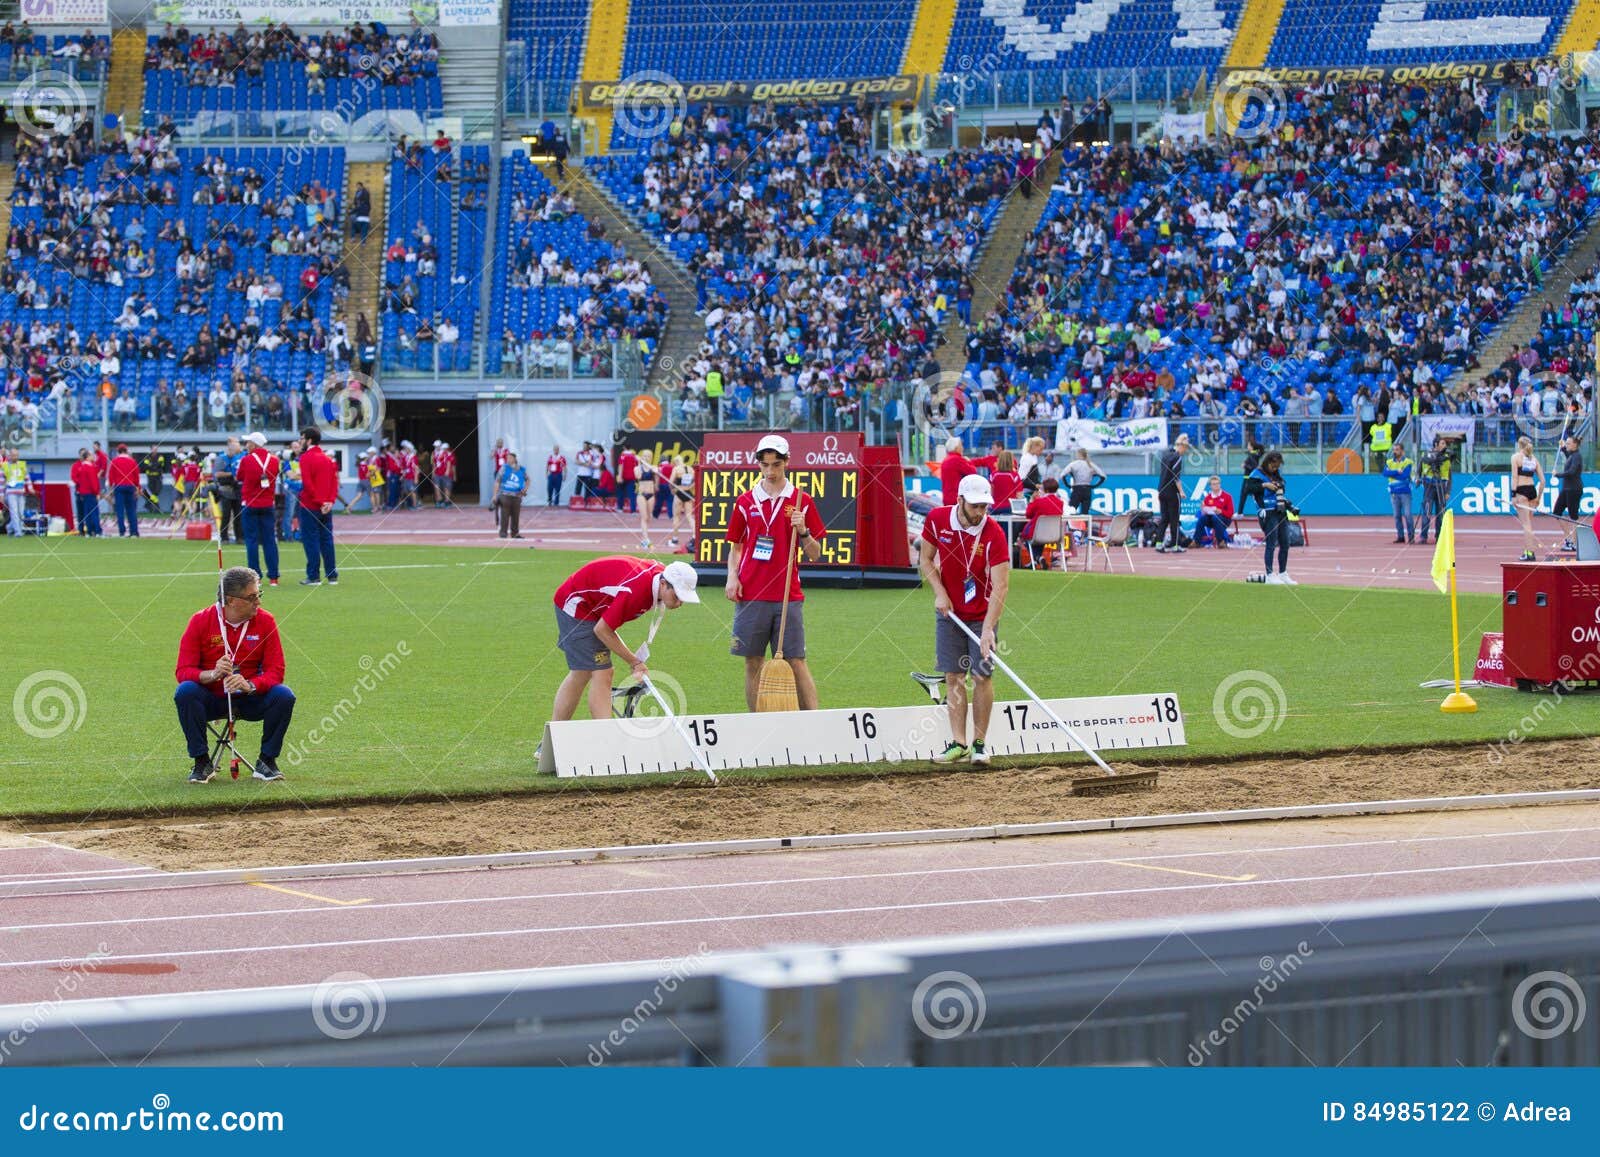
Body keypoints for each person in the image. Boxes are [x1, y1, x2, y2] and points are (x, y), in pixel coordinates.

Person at [546, 557, 701, 736]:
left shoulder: (659, 577)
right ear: (664, 583)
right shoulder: (635, 592)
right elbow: (603, 630)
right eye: (677, 596)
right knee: (603, 672)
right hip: (576, 604)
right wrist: (634, 662)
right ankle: (608, 739)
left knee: (581, 673)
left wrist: (634, 660)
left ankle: (552, 738)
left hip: (593, 607)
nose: (679, 603)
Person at [726, 433, 825, 711]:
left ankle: (815, 723)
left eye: (776, 465)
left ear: (787, 463)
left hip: (787, 595)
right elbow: (736, 546)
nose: (770, 471)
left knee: (796, 661)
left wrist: (803, 530)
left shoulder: (801, 499)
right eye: (765, 465)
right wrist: (732, 577)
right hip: (751, 594)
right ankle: (758, 723)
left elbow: (815, 553)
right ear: (758, 464)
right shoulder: (745, 501)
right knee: (752, 661)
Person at [920, 473, 1011, 765]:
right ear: (960, 501)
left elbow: (1001, 586)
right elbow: (926, 560)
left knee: (982, 675)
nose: (980, 512)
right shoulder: (936, 519)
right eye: (975, 507)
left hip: (983, 615)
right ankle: (958, 743)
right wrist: (940, 593)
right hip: (950, 614)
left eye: (985, 506)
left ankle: (980, 744)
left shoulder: (994, 532)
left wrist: (988, 630)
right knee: (953, 676)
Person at [174, 565, 295, 783]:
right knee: (185, 691)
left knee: (284, 695)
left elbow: (276, 670)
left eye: (259, 595)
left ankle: (267, 761)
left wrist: (251, 685)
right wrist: (212, 674)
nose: (258, 601)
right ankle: (201, 761)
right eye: (252, 597)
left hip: (251, 699)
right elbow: (183, 671)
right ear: (231, 600)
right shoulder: (200, 621)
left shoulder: (266, 621)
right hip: (212, 699)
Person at [236, 431, 281, 586]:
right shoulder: (274, 460)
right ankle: (274, 577)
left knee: (252, 541)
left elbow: (239, 476)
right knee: (270, 540)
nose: (246, 445)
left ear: (254, 444)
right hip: (268, 504)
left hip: (250, 504)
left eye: (248, 442)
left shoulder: (246, 460)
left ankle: (255, 577)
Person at [296, 426, 340, 585]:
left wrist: (321, 501)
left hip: (311, 504)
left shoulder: (306, 458)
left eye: (302, 439)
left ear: (308, 440)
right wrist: (329, 501)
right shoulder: (328, 458)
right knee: (327, 540)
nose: (300, 442)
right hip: (326, 506)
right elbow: (334, 482)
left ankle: (313, 575)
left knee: (311, 540)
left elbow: (308, 483)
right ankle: (332, 574)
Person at [1251, 450, 1295, 585]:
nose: (1275, 469)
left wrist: (1279, 486)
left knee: (1285, 542)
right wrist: (1265, 485)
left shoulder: (1275, 474)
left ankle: (1282, 573)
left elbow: (1282, 488)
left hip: (1280, 510)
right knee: (1271, 542)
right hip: (1267, 511)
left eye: (1277, 467)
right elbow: (1249, 489)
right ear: (1267, 462)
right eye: (1273, 466)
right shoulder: (1256, 473)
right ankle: (1269, 574)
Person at [1509, 436, 1544, 561]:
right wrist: (1538, 498)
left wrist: (1513, 495)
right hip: (1532, 491)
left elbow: (1514, 477)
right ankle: (1527, 550)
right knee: (1529, 524)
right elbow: (1543, 481)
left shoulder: (1515, 457)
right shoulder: (1534, 459)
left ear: (1519, 445)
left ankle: (1530, 552)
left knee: (1526, 525)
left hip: (1521, 491)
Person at [1154, 433, 1189, 552]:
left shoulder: (1166, 455)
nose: (1185, 451)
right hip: (1172, 492)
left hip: (1161, 490)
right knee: (1174, 519)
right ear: (1182, 446)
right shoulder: (1177, 457)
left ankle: (1159, 543)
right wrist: (1182, 492)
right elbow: (1176, 477)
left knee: (1164, 518)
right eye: (1186, 448)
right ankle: (1175, 545)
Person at [1021, 476, 1066, 566]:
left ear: (1045, 489)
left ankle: (1037, 558)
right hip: (1054, 535)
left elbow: (1028, 514)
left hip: (1038, 533)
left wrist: (1032, 500)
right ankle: (1036, 560)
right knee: (1038, 539)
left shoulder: (1039, 501)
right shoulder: (1060, 503)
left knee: (1024, 537)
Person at [937, 437, 995, 505]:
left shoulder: (945, 460)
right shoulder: (957, 460)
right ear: (956, 448)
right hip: (957, 497)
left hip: (947, 496)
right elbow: (973, 472)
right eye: (961, 445)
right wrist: (968, 462)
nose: (963, 448)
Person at [1417, 435, 1453, 546]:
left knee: (1440, 513)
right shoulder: (1426, 455)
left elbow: (1449, 476)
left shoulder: (1447, 458)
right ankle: (1423, 536)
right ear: (1436, 445)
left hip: (1441, 486)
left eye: (1445, 444)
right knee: (1427, 511)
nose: (1445, 446)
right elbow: (1419, 469)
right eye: (1442, 443)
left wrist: (1448, 491)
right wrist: (1418, 479)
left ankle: (1439, 536)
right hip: (1429, 486)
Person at [1552, 434, 1584, 551]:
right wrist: (1562, 448)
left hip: (1574, 489)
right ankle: (1569, 539)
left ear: (1575, 445)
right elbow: (1568, 456)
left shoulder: (1577, 456)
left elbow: (1572, 471)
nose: (1567, 445)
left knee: (1573, 517)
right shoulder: (1572, 455)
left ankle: (1574, 543)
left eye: (1569, 443)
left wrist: (1557, 475)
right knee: (1557, 512)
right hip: (1566, 489)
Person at [1383, 442, 1417, 544]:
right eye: (1394, 449)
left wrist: (1392, 473)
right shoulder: (1389, 462)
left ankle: (1411, 536)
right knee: (1397, 516)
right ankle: (1400, 536)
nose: (1395, 451)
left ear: (1402, 451)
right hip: (1394, 493)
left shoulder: (1408, 462)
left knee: (1407, 515)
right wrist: (1397, 471)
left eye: (1397, 449)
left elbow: (1405, 475)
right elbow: (1384, 473)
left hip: (1405, 492)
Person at [107, 443, 141, 537]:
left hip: (119, 486)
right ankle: (134, 532)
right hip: (130, 486)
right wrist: (137, 488)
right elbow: (136, 476)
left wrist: (110, 489)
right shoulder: (132, 461)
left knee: (120, 510)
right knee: (131, 510)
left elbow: (111, 476)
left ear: (118, 451)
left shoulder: (114, 461)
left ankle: (122, 532)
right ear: (126, 451)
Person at [494, 450, 529, 539]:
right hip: (505, 495)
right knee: (504, 515)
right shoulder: (504, 468)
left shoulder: (521, 469)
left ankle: (515, 533)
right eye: (507, 458)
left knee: (516, 516)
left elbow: (528, 479)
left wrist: (525, 489)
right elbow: (497, 481)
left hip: (517, 496)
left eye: (509, 458)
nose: (507, 459)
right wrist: (494, 495)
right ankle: (503, 534)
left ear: (514, 459)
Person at [70, 448, 103, 536]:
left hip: (83, 492)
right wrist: (97, 492)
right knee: (94, 512)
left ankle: (89, 531)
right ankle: (97, 531)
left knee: (87, 513)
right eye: (91, 455)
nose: (93, 457)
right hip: (90, 493)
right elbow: (93, 481)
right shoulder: (90, 467)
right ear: (87, 457)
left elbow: (80, 481)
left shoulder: (82, 467)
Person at [1194, 475, 1235, 547]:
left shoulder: (1227, 496)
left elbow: (1230, 513)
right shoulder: (1208, 497)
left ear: (1220, 484)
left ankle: (1221, 541)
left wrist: (1221, 511)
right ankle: (1196, 541)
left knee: (1216, 517)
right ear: (1210, 486)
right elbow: (1205, 511)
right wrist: (1203, 509)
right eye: (1214, 484)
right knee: (1201, 519)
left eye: (1217, 484)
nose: (1216, 486)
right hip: (1211, 519)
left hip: (1224, 520)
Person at [1063, 447, 1104, 514]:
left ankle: (1070, 524)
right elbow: (1103, 476)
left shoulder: (1074, 464)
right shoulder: (1091, 465)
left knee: (1071, 511)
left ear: (1078, 454)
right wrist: (1095, 486)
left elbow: (1063, 475)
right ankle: (1085, 524)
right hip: (1087, 489)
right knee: (1085, 512)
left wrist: (1067, 485)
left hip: (1077, 488)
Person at [3, 450, 34, 536]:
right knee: (14, 512)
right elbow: (1, 482)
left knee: (20, 513)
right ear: (9, 456)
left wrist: (30, 488)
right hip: (10, 493)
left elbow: (27, 477)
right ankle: (18, 532)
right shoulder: (5, 466)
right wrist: (1, 494)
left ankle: (9, 527)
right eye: (13, 455)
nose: (15, 457)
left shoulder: (22, 464)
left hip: (21, 492)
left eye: (16, 455)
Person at [636, 449, 657, 549]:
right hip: (641, 494)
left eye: (648, 456)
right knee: (644, 517)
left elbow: (656, 479)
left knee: (649, 517)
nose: (646, 458)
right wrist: (640, 463)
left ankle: (645, 537)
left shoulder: (653, 467)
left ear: (651, 457)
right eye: (644, 456)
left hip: (651, 494)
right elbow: (638, 476)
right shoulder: (637, 468)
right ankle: (645, 539)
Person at [1238, 441, 1265, 515]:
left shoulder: (1252, 454)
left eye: (1248, 445)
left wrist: (1245, 465)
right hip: (1252, 478)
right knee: (1257, 495)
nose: (1247, 447)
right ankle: (1263, 509)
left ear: (1251, 446)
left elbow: (1254, 466)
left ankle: (1240, 513)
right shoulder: (1256, 454)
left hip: (1248, 478)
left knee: (1243, 495)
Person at [616, 445, 639, 514]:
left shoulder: (623, 456)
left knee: (621, 493)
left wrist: (620, 476)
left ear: (624, 448)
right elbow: (636, 467)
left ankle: (620, 508)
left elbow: (621, 466)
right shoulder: (634, 457)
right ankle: (633, 510)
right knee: (632, 494)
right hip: (632, 477)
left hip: (623, 477)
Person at [433, 441, 456, 508]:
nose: (436, 447)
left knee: (446, 487)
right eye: (435, 446)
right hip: (437, 473)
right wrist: (433, 473)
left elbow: (449, 462)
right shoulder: (434, 453)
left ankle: (447, 501)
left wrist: (447, 471)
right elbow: (434, 463)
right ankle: (439, 501)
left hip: (445, 473)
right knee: (436, 487)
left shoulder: (446, 453)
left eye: (437, 446)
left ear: (440, 446)